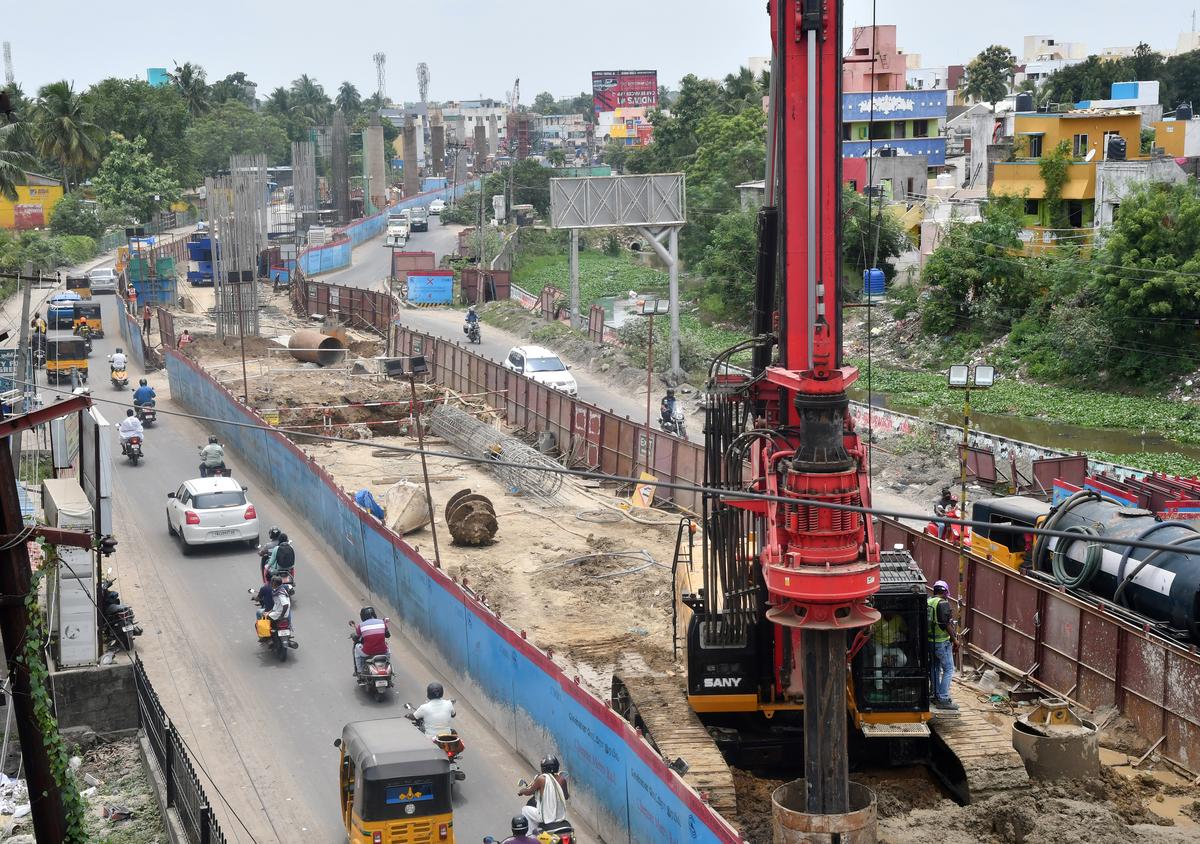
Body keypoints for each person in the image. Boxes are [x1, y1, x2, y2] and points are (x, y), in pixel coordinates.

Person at [928, 580, 958, 710]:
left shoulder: (928, 602)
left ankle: (935, 694)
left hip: (930, 641)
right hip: (941, 642)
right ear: (945, 591)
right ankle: (943, 698)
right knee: (949, 669)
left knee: (935, 668)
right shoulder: (942, 603)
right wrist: (955, 640)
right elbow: (946, 624)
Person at [518, 756, 568, 833]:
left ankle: (530, 835)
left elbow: (530, 791)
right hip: (560, 816)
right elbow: (566, 797)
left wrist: (522, 791)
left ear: (544, 768)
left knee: (525, 810)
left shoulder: (541, 779)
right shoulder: (562, 779)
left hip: (546, 816)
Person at [352, 606, 391, 676]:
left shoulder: (361, 626)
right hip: (383, 651)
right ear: (374, 614)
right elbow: (388, 635)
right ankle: (387, 663)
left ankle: (359, 671)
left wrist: (354, 637)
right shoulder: (382, 622)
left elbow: (357, 638)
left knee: (356, 648)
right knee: (387, 648)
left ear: (362, 616)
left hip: (368, 652)